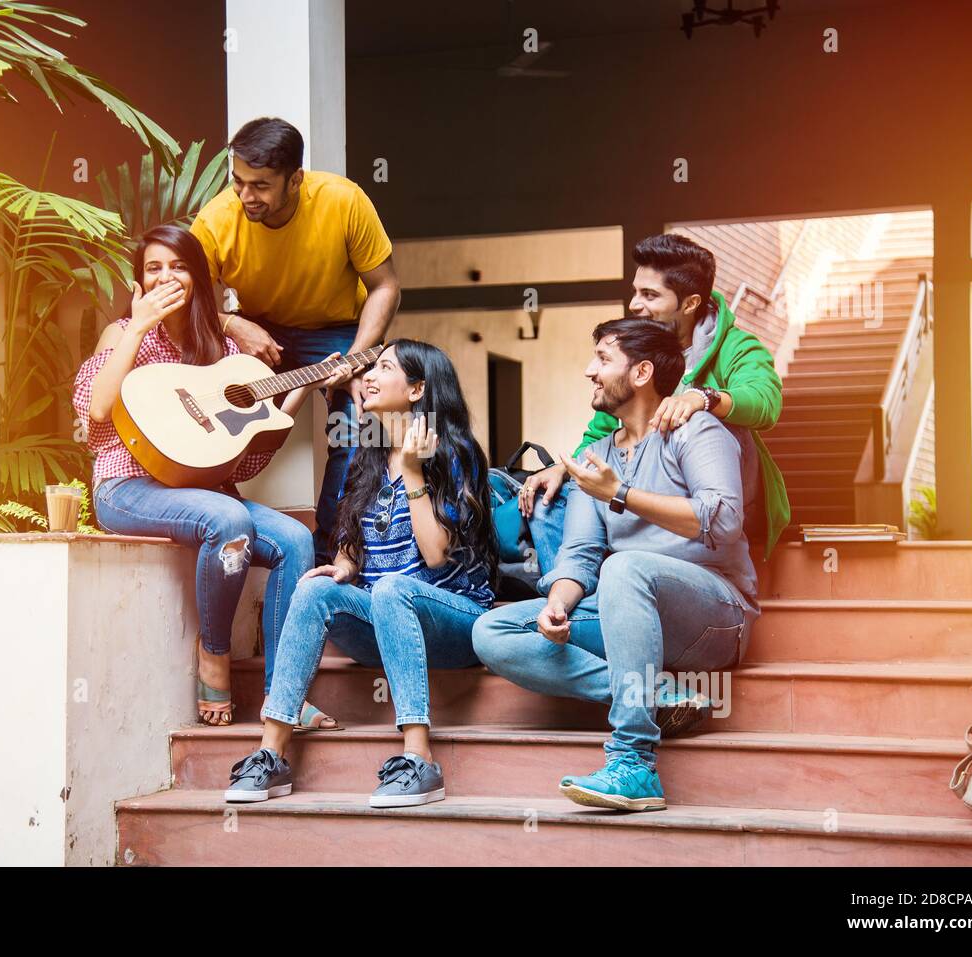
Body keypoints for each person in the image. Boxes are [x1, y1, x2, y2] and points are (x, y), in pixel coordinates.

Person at [72, 225, 354, 728]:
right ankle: (214, 653)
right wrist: (137, 328)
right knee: (228, 520)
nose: (166, 278)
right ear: (138, 282)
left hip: (204, 489)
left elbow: (242, 451)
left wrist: (307, 385)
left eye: (178, 266)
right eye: (153, 268)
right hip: (128, 486)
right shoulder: (122, 334)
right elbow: (96, 409)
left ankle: (283, 693)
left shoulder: (223, 350)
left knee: (294, 539)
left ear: (199, 278)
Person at [473, 318, 760, 811]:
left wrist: (620, 494)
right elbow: (581, 556)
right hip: (628, 617)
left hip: (714, 614)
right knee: (493, 631)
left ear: (643, 371)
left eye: (604, 359)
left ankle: (634, 761)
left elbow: (724, 520)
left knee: (624, 568)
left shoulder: (696, 431)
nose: (590, 371)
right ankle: (659, 693)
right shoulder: (596, 455)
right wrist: (558, 605)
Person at [223, 340, 498, 808]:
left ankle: (418, 759)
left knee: (393, 589)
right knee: (315, 590)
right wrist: (345, 565)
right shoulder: (367, 452)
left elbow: (434, 556)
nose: (368, 376)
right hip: (388, 618)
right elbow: (352, 531)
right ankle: (271, 754)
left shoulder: (456, 453)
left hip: (454, 621)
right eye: (370, 368)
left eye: (384, 367)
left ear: (417, 389)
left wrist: (412, 472)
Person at [191, 117, 402, 566]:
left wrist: (359, 358)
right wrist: (232, 324)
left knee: (359, 428)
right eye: (239, 182)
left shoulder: (343, 201)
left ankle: (333, 545)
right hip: (258, 329)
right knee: (213, 414)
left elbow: (385, 287)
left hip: (340, 329)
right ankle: (212, 517)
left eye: (261, 186)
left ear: (296, 180)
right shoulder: (216, 221)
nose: (246, 196)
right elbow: (189, 302)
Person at [519, 233, 789, 571]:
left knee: (722, 428)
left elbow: (765, 402)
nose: (634, 304)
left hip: (713, 503)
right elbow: (605, 427)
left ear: (689, 304)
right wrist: (567, 466)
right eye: (635, 291)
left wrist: (703, 398)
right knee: (547, 501)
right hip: (638, 491)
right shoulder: (638, 351)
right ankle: (571, 594)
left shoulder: (735, 346)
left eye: (649, 295)